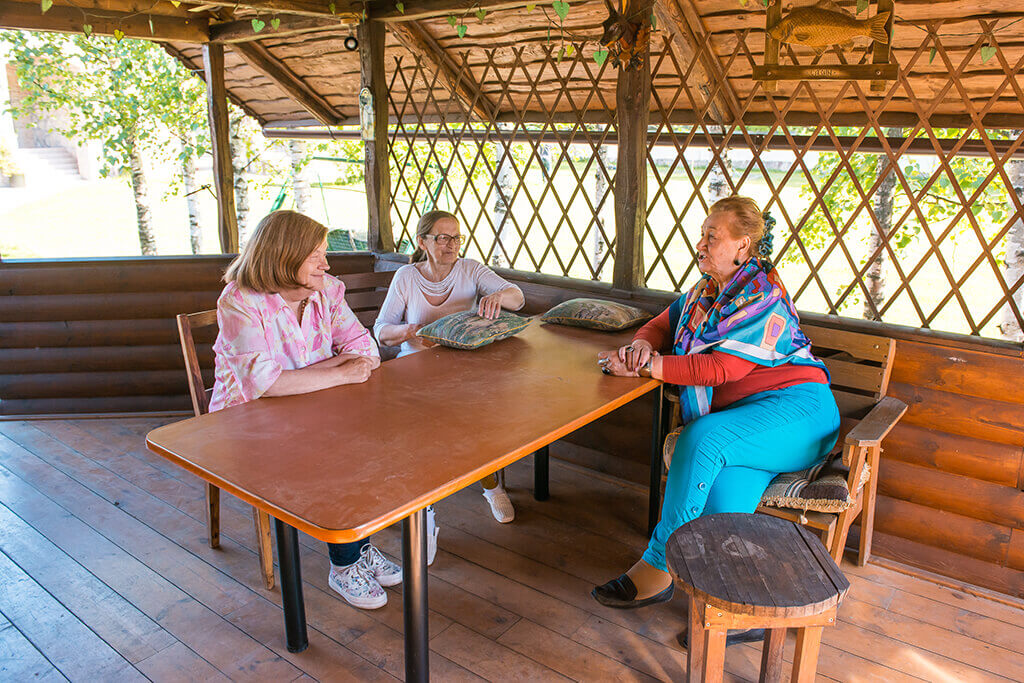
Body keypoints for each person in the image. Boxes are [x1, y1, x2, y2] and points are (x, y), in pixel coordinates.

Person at [592, 196, 840, 616]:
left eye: (713, 236)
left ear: (743, 245)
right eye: (702, 234)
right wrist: (641, 346)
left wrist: (647, 368)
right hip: (747, 427)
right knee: (719, 512)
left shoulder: (763, 299)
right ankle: (743, 611)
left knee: (702, 439)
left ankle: (657, 566)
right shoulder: (705, 293)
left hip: (798, 415)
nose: (701, 244)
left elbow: (721, 369)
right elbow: (662, 324)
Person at [209, 210, 401, 611]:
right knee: (336, 455)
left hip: (312, 407)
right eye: (316, 255)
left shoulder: (327, 290)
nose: (326, 264)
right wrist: (340, 372)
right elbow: (264, 385)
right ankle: (345, 564)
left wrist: (310, 376)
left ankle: (357, 545)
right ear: (284, 255)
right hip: (243, 423)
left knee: (370, 442)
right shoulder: (240, 301)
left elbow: (365, 350)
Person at [374, 210, 527, 556]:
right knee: (418, 437)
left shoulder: (470, 270)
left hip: (464, 367)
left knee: (478, 420)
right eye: (442, 238)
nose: (451, 245)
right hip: (415, 371)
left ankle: (491, 485)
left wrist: (498, 297)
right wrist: (410, 331)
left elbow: (518, 298)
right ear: (422, 242)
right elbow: (381, 330)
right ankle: (424, 511)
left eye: (456, 237)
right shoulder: (406, 277)